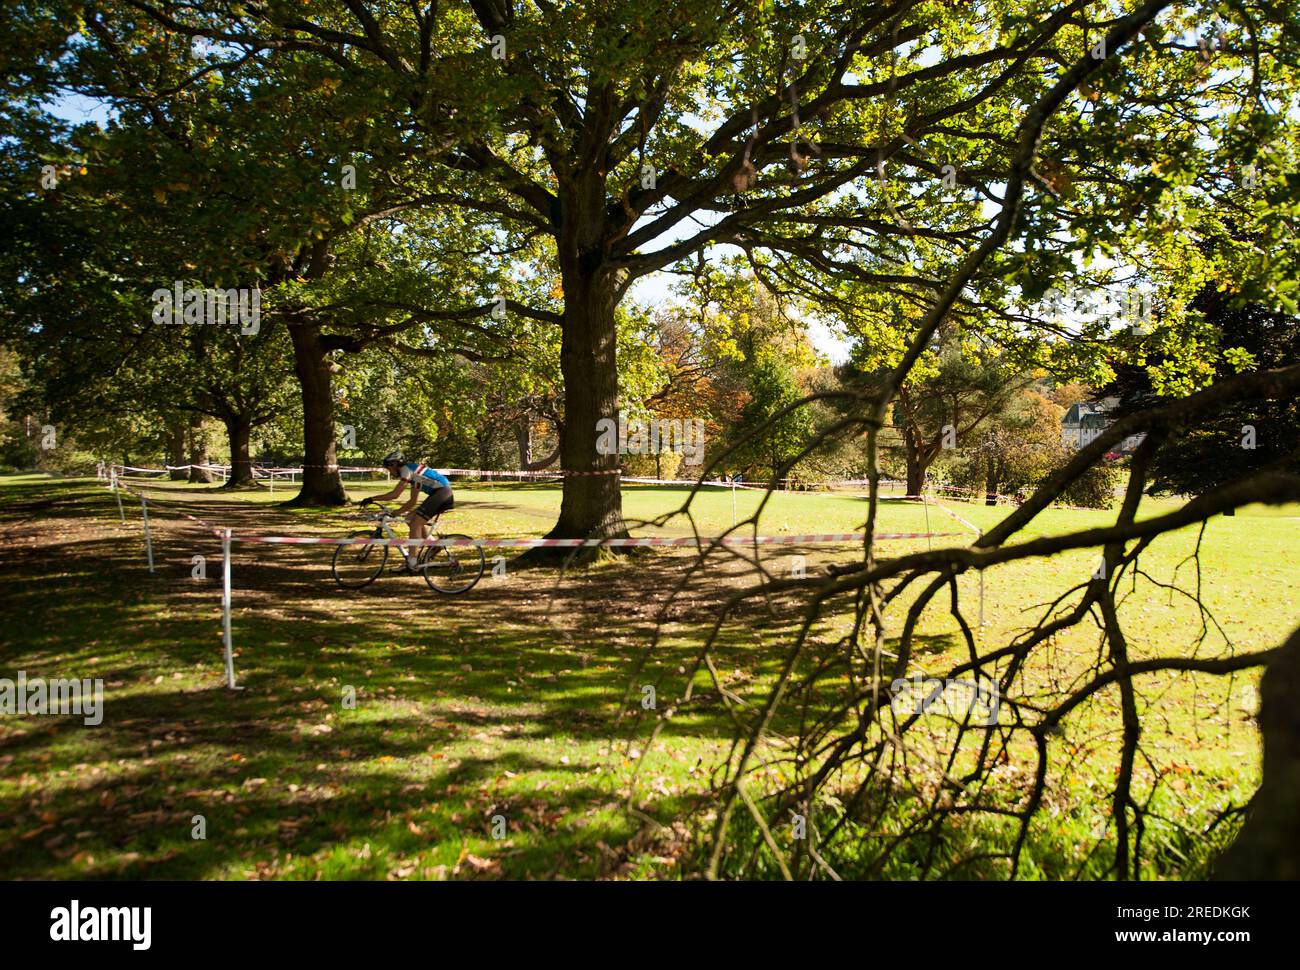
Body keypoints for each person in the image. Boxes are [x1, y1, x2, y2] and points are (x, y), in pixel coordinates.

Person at [361, 451, 455, 570]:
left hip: (442, 492)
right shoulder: (414, 476)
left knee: (416, 523)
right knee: (410, 519)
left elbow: (395, 494)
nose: (389, 471)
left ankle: (412, 561)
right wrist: (395, 513)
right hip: (441, 493)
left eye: (388, 467)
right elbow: (412, 502)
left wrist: (371, 499)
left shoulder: (406, 470)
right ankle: (434, 545)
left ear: (395, 464)